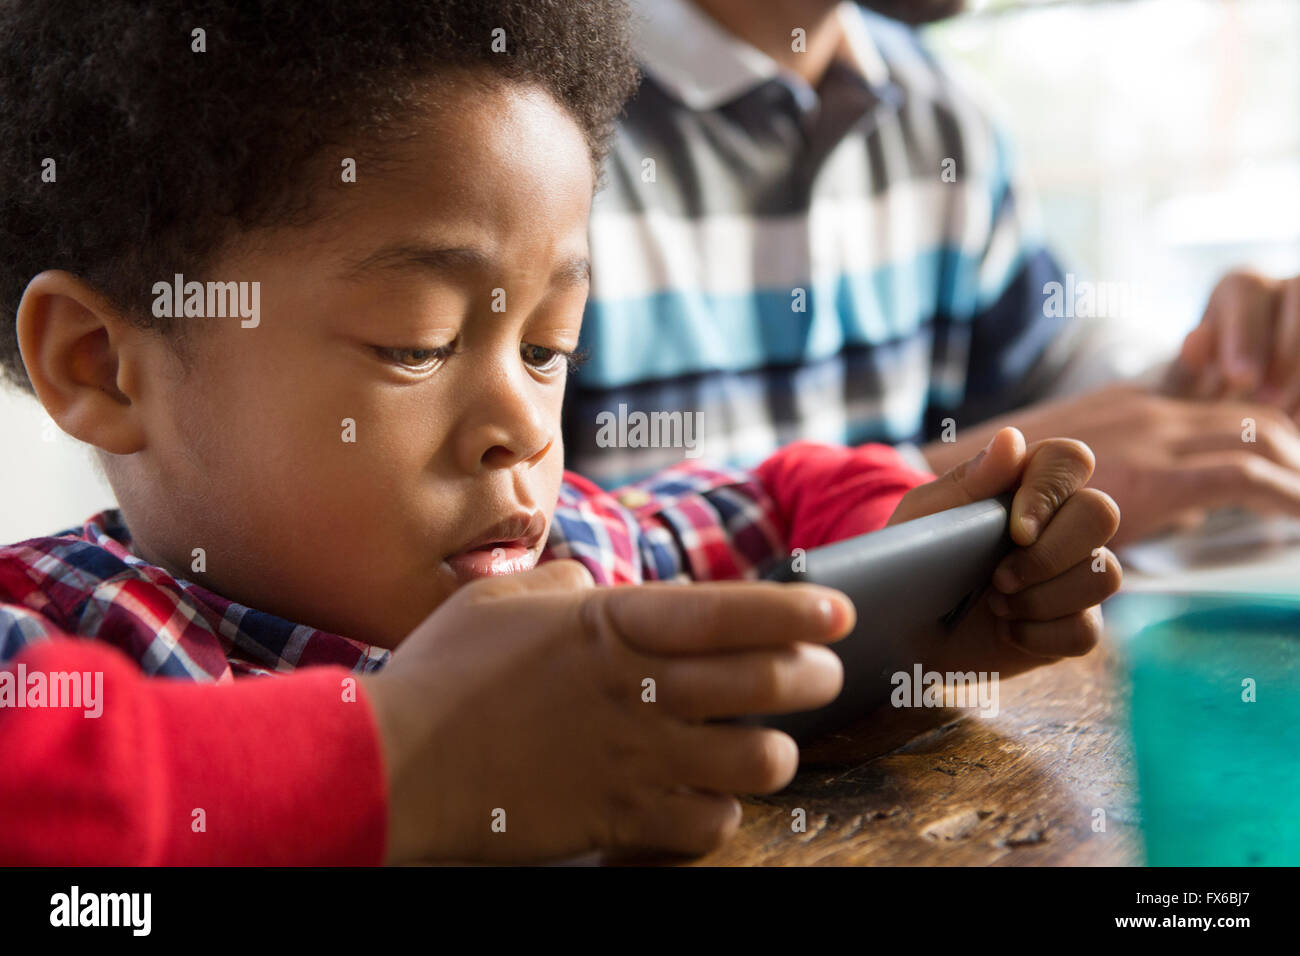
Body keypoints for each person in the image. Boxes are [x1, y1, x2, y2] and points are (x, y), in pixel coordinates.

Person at [0, 0, 1121, 865]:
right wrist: (407, 751)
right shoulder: (70, 634)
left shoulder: (579, 561)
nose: (520, 429)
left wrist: (908, 582)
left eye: (546, 347)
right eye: (416, 344)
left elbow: (785, 496)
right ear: (99, 364)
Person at [565, 0, 1300, 545]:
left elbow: (1054, 369)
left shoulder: (944, 115)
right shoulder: (534, 134)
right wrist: (949, 490)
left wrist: (1224, 374)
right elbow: (552, 567)